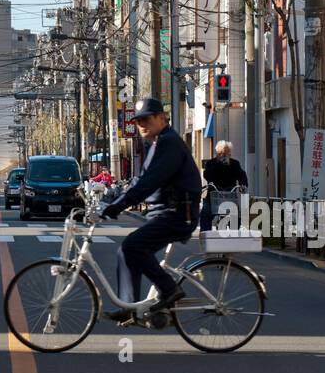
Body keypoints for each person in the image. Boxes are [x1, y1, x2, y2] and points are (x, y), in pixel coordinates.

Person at [99, 98, 202, 322]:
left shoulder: (169, 143)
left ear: (161, 117)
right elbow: (140, 180)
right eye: (138, 121)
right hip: (165, 213)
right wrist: (114, 202)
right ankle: (130, 306)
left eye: (146, 118)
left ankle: (169, 289)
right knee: (126, 251)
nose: (142, 124)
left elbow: (151, 181)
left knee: (134, 247)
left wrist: (119, 206)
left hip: (177, 215)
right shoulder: (157, 143)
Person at [200, 140, 248, 231]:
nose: (225, 155)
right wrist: (219, 164)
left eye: (227, 153)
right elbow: (207, 175)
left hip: (230, 195)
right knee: (205, 213)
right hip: (213, 194)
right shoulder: (211, 163)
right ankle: (205, 236)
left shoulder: (235, 163)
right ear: (218, 153)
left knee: (236, 214)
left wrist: (243, 185)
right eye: (222, 153)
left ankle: (234, 235)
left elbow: (242, 175)